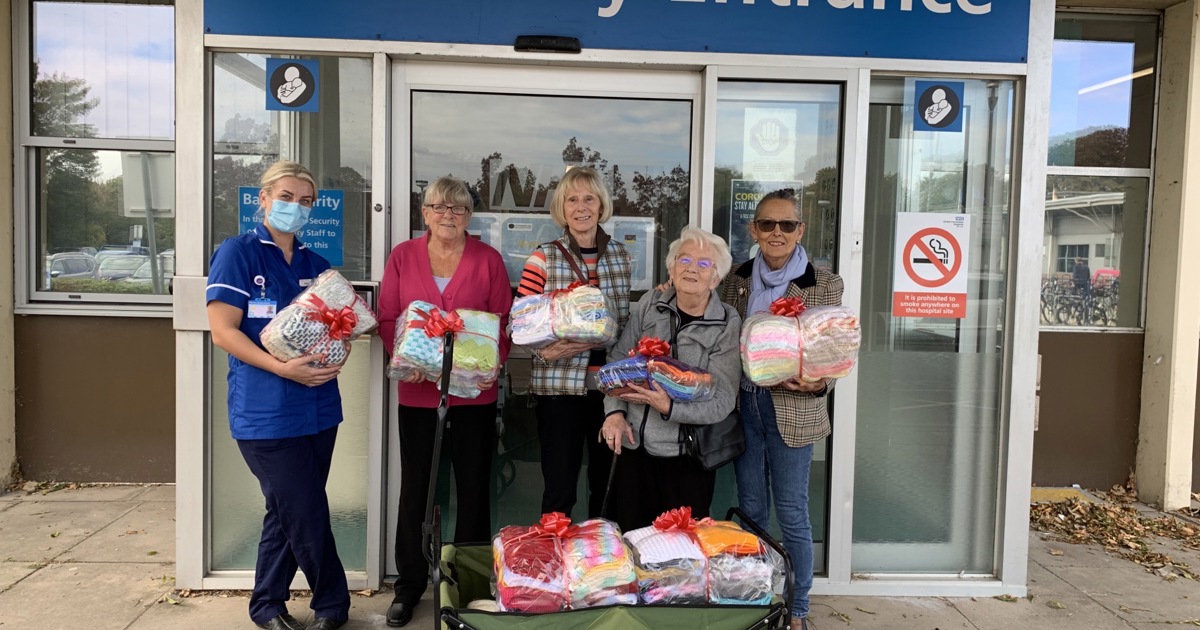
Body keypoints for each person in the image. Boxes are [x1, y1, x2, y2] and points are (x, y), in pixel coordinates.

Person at [206, 160, 351, 630]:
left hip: (319, 409)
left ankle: (266, 604)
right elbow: (223, 331)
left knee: (286, 510)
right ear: (264, 199)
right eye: (286, 197)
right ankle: (333, 603)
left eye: (305, 201)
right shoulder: (239, 253)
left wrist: (340, 345)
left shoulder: (316, 265)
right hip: (265, 413)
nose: (295, 207)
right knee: (305, 510)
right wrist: (282, 368)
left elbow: (334, 329)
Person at [378, 176, 512, 628]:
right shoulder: (403, 256)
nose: (448, 215)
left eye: (458, 208)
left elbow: (502, 323)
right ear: (425, 212)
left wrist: (485, 366)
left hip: (474, 398)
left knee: (473, 487)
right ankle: (409, 585)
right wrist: (404, 359)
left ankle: (469, 584)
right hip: (418, 395)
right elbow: (389, 318)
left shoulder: (488, 260)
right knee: (417, 488)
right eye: (439, 207)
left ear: (469, 216)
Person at [721, 189, 843, 630]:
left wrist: (819, 382)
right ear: (753, 230)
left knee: (792, 511)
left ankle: (797, 609)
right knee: (751, 508)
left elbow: (835, 348)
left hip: (794, 408)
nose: (777, 232)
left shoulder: (824, 283)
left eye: (787, 224)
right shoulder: (734, 279)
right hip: (744, 405)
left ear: (800, 230)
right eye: (767, 224)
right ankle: (758, 601)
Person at [600, 226, 742, 532]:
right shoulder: (650, 304)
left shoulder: (727, 322)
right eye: (684, 259)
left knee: (680, 550)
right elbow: (617, 364)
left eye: (703, 263)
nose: (691, 268)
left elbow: (722, 400)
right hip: (635, 450)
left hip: (688, 459)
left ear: (715, 278)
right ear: (672, 268)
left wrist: (670, 408)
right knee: (632, 540)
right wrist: (614, 414)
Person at [515, 166, 631, 518]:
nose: (581, 207)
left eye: (589, 199)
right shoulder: (543, 257)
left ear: (601, 205)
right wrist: (546, 352)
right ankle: (555, 550)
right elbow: (517, 325)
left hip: (609, 391)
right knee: (559, 491)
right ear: (561, 209)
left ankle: (601, 552)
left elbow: (626, 323)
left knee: (607, 490)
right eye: (572, 200)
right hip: (559, 391)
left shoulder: (621, 256)